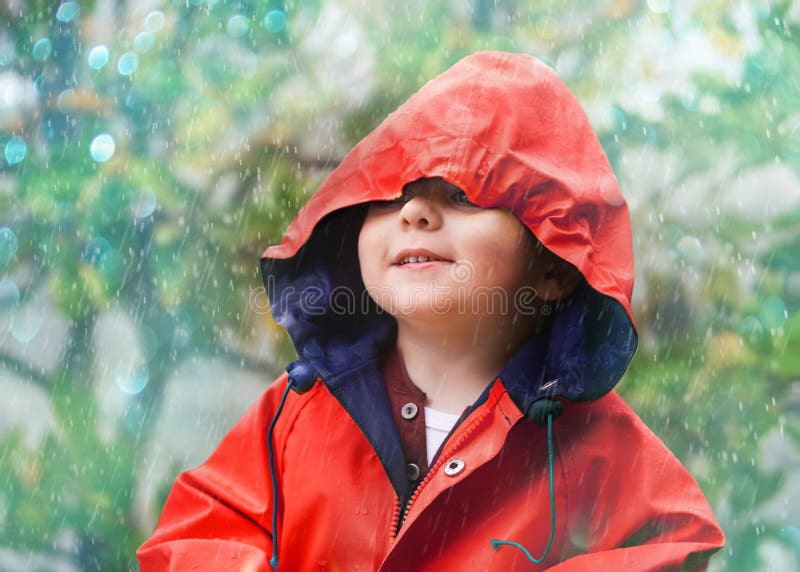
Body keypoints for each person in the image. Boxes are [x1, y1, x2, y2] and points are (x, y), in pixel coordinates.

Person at [137, 51, 725, 570]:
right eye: (392, 194)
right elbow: (201, 531)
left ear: (553, 267)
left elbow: (668, 543)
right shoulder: (297, 412)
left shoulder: (597, 452)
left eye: (464, 196)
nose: (414, 213)